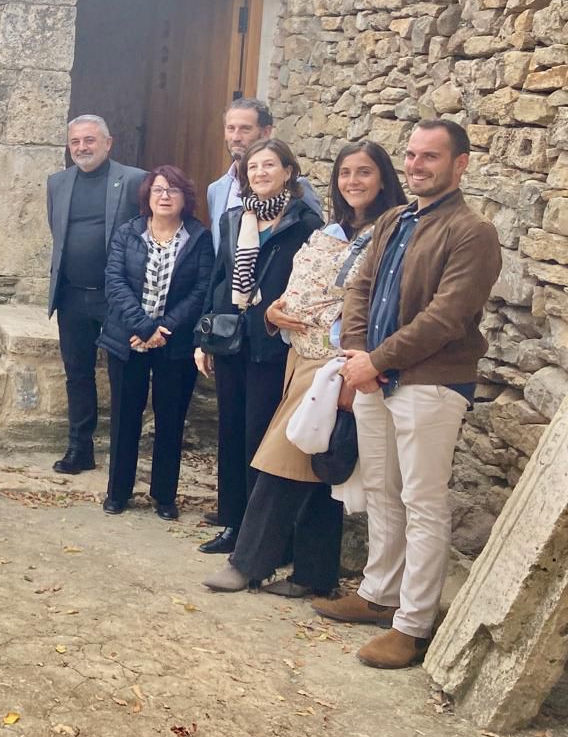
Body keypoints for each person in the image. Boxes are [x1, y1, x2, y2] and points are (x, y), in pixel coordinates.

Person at [313, 120, 502, 670]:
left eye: (431, 156)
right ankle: (378, 594)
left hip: (431, 382)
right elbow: (359, 288)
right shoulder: (394, 220)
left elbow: (446, 317)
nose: (417, 165)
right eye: (412, 155)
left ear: (460, 164)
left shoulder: (472, 232)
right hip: (374, 377)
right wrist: (358, 356)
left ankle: (413, 625)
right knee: (382, 491)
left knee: (423, 501)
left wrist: (377, 361)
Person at [204, 141, 405, 597]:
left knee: (281, 458)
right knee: (318, 465)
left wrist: (358, 364)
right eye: (345, 173)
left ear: (383, 179)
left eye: (363, 172)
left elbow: (380, 303)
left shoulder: (390, 233)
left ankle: (246, 564)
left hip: (338, 364)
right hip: (300, 356)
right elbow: (298, 287)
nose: (352, 181)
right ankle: (314, 576)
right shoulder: (333, 229)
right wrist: (273, 314)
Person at [194, 138, 324, 554]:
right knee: (231, 433)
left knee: (261, 437)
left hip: (272, 343)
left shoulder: (305, 222)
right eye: (253, 167)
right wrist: (203, 338)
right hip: (231, 338)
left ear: (288, 171)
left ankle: (263, 537)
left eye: (269, 165)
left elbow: (309, 285)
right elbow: (219, 279)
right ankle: (232, 525)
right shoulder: (234, 219)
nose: (260, 173)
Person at [97, 166, 214, 519]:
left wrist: (164, 329)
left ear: (184, 198)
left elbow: (201, 290)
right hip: (129, 339)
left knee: (170, 419)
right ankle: (118, 492)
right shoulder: (128, 232)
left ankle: (164, 496)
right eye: (158, 190)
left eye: (173, 190)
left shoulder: (199, 238)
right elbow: (115, 282)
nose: (165, 196)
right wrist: (144, 327)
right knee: (125, 417)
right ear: (147, 196)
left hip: (173, 344)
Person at [44, 115, 148, 474]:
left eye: (89, 140)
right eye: (75, 141)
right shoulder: (57, 183)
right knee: (77, 374)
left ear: (108, 142)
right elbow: (58, 233)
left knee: (123, 377)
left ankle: (122, 456)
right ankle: (80, 449)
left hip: (117, 297)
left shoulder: (134, 180)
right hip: (71, 295)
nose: (82, 148)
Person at [207, 98, 322, 255]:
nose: (236, 137)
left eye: (245, 129)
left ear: (266, 132)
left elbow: (315, 241)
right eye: (230, 128)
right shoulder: (216, 190)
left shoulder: (297, 186)